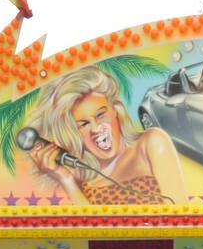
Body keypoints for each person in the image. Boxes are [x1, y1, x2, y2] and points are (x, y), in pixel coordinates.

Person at [26, 66, 187, 205]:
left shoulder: (152, 142)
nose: (96, 129)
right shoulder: (81, 176)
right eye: (83, 124)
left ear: (116, 111)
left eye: (101, 115)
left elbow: (180, 215)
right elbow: (89, 231)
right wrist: (65, 179)